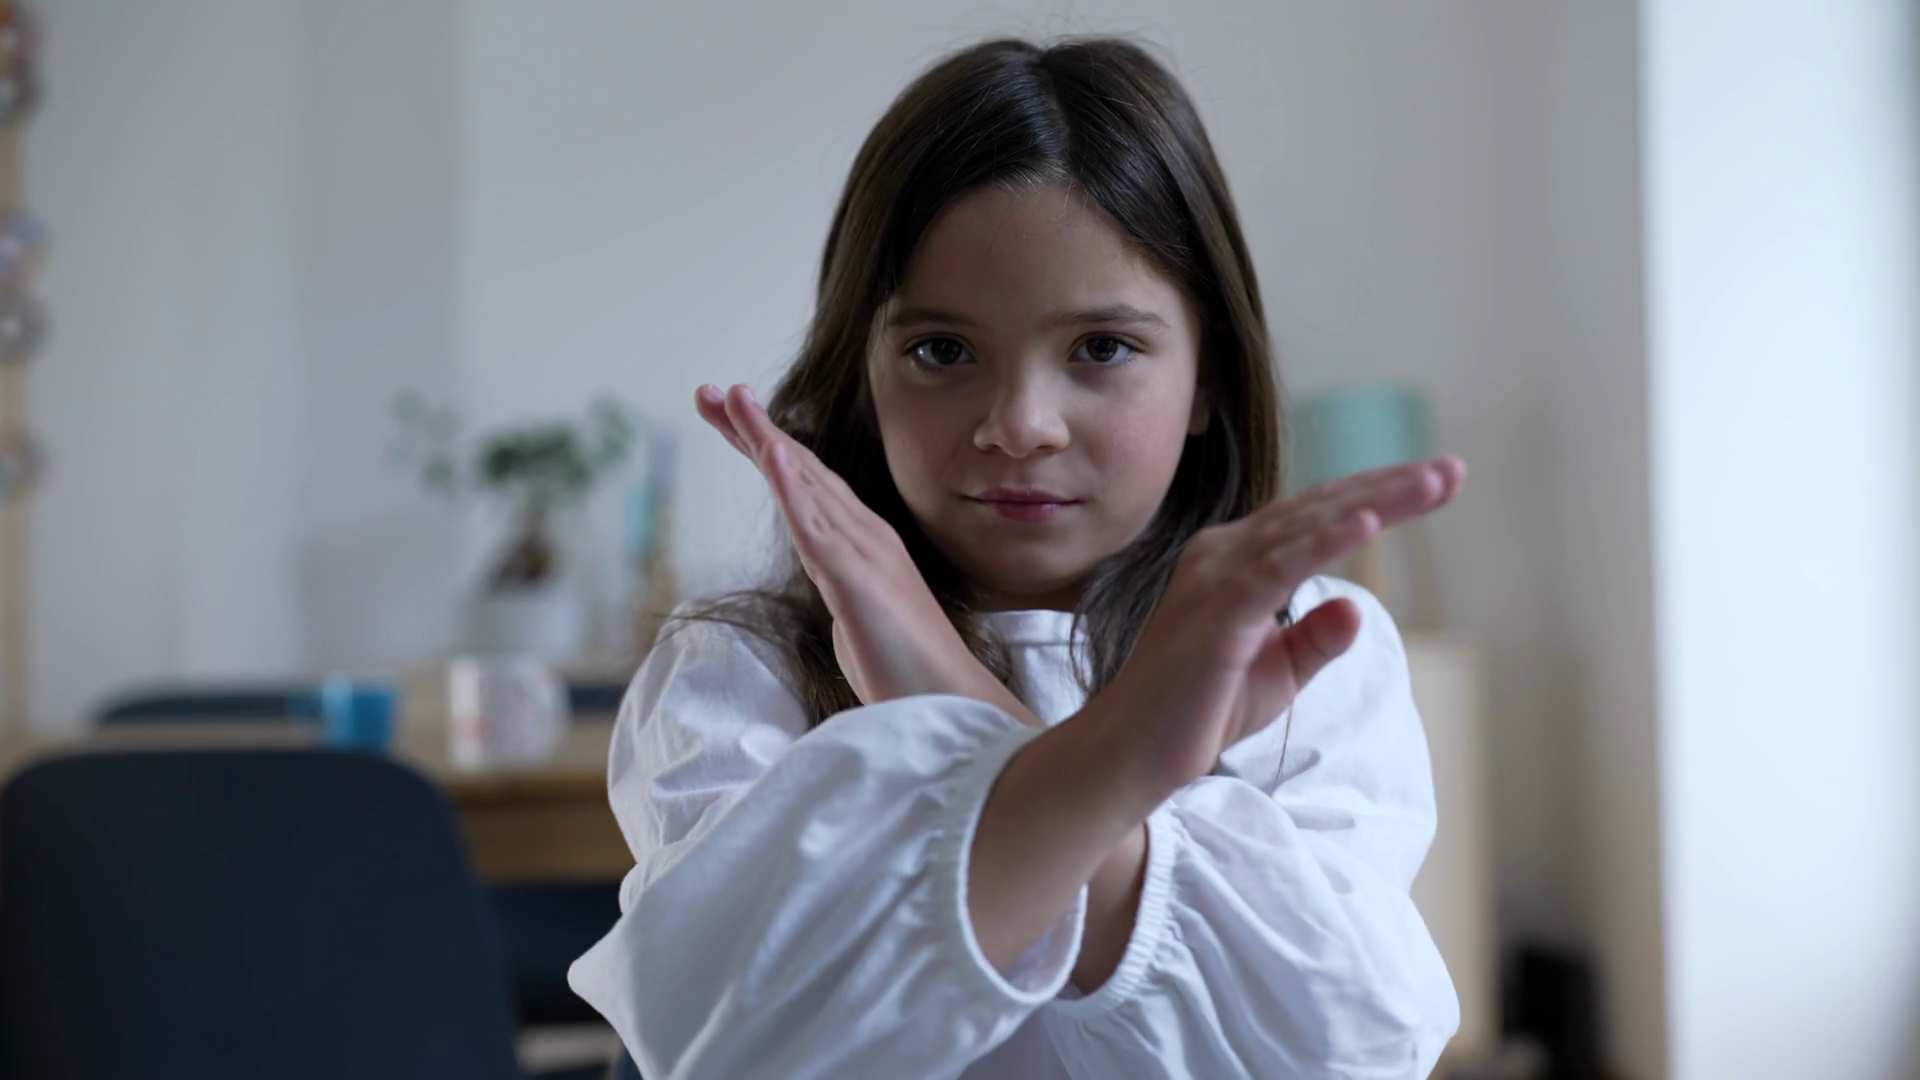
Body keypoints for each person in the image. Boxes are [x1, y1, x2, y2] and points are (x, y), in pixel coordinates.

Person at [570, 35, 1465, 1080]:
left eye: (1101, 349)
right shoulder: (741, 668)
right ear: (862, 372)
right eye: (943, 352)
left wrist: (944, 700)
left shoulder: (1309, 652)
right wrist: (1105, 772)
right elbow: (737, 1051)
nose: (1021, 424)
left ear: (1209, 377)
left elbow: (1347, 1054)